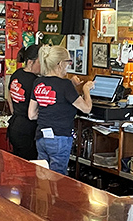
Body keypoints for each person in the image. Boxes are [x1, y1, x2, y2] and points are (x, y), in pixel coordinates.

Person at [28, 45, 94, 175]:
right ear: (60, 64)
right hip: (59, 138)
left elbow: (31, 114)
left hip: (41, 137)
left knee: (42, 175)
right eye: (68, 62)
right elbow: (86, 108)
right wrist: (86, 90)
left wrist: (49, 112)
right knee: (57, 178)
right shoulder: (65, 85)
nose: (69, 65)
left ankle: (42, 196)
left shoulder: (38, 82)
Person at [6, 44, 41, 160]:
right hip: (28, 130)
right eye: (40, 62)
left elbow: (8, 97)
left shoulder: (17, 73)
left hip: (15, 125)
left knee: (18, 162)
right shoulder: (35, 82)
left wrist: (16, 112)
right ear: (30, 62)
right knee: (29, 165)